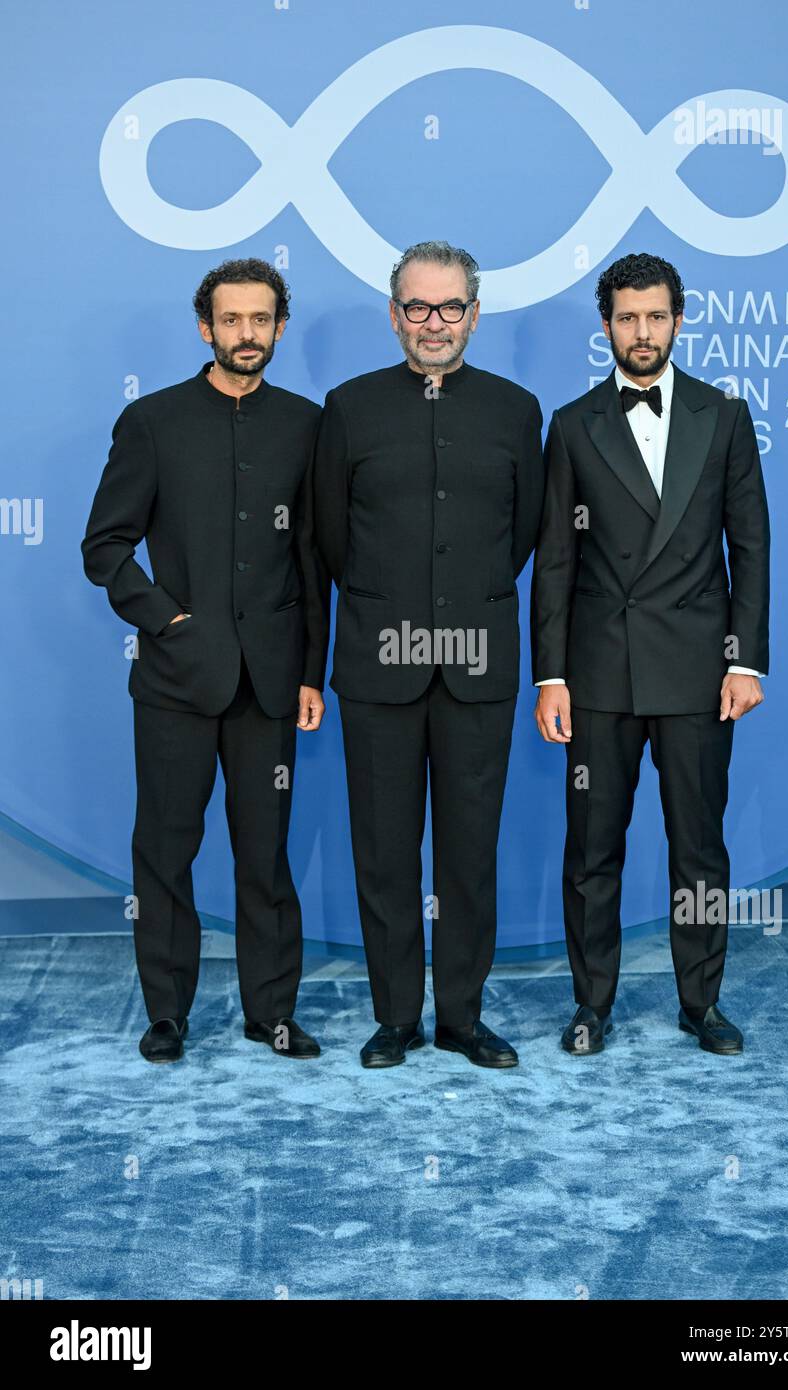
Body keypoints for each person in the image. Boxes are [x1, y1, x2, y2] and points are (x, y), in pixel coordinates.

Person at [82, 258, 329, 1063]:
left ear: (279, 328)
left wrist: (308, 673)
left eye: (261, 320)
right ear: (206, 328)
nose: (246, 335)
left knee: (266, 855)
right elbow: (105, 546)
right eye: (232, 321)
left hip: (270, 684)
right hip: (175, 681)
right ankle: (167, 1013)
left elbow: (315, 562)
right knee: (165, 848)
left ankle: (272, 1014)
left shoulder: (307, 423)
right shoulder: (152, 422)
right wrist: (169, 621)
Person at [531, 251, 770, 1057]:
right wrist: (552, 675)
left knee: (699, 848)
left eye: (656, 316)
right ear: (607, 325)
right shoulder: (571, 424)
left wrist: (746, 661)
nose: (642, 331)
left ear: (677, 319)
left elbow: (752, 547)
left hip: (702, 674)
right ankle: (590, 1006)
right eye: (628, 317)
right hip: (598, 677)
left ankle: (700, 1003)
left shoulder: (724, 415)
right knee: (592, 850)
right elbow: (556, 561)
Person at [313, 240, 545, 1068]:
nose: (434, 323)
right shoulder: (348, 407)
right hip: (379, 662)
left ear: (474, 316)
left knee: (469, 851)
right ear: (394, 314)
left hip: (479, 664)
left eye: (451, 308)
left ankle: (461, 1016)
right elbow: (333, 540)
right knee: (382, 848)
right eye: (418, 307)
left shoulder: (518, 410)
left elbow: (524, 536)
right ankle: (395, 1018)